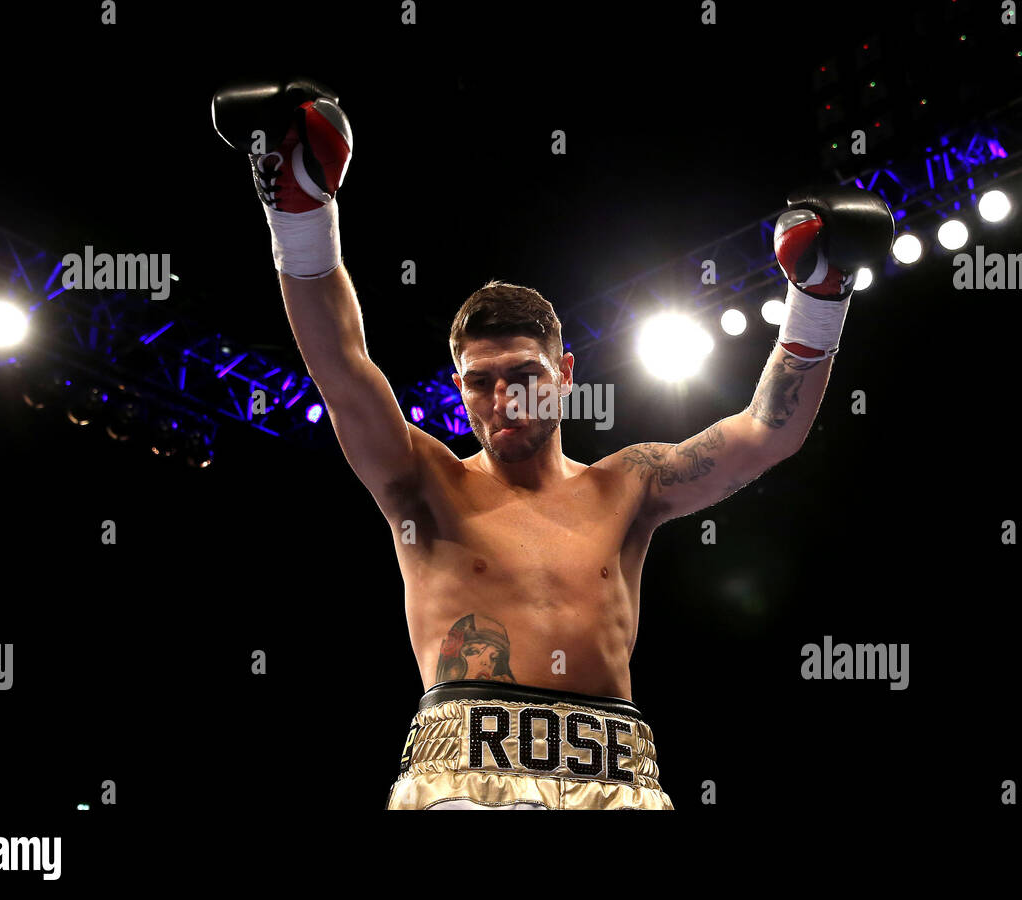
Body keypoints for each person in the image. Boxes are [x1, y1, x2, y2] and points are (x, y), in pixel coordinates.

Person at [212, 79, 894, 810]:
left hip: (618, 777)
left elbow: (767, 432)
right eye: (479, 382)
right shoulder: (423, 481)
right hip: (464, 775)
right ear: (458, 384)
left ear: (565, 375)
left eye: (523, 375)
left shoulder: (628, 485)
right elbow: (342, 368)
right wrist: (301, 209)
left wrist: (820, 297)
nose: (502, 399)